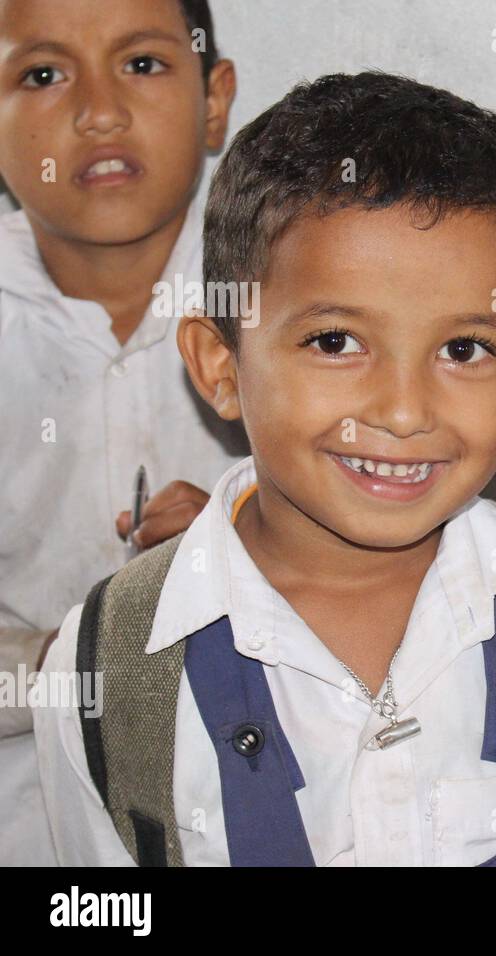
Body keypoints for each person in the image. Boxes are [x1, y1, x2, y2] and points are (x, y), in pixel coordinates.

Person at [34, 71, 496, 866]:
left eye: (464, 350)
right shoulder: (109, 671)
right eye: (334, 342)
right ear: (220, 365)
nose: (401, 410)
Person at [0, 0, 241, 865]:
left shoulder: (302, 305)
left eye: (141, 63)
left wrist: (258, 549)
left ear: (215, 101)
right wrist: (88, 647)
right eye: (42, 73)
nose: (98, 111)